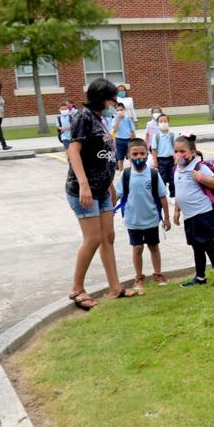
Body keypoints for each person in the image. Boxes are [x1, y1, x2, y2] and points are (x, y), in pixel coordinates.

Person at [66, 78, 140, 310]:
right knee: (94, 239)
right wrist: (84, 184)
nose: (113, 103)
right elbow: (73, 150)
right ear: (101, 98)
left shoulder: (99, 119)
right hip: (83, 191)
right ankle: (77, 288)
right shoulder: (83, 117)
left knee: (108, 237)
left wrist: (109, 185)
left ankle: (115, 287)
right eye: (111, 99)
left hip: (102, 190)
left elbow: (102, 155)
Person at [172, 134, 214, 287]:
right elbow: (179, 191)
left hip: (202, 213)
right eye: (176, 151)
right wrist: (177, 211)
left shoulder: (199, 167)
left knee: (208, 245)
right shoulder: (177, 168)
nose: (179, 154)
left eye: (182, 151)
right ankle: (200, 277)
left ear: (192, 152)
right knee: (196, 247)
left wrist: (201, 178)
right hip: (189, 216)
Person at [119, 138, 171, 288]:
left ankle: (158, 274)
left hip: (151, 219)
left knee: (154, 246)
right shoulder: (125, 174)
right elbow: (117, 195)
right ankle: (139, 277)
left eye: (142, 153)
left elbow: (162, 196)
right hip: (132, 220)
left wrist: (166, 218)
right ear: (128, 156)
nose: (138, 157)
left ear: (148, 154)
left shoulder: (154, 174)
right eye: (134, 154)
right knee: (137, 248)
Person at [151, 113, 177, 193]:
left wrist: (176, 158)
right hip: (161, 160)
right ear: (157, 124)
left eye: (165, 121)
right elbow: (154, 149)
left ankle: (173, 194)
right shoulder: (156, 136)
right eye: (161, 121)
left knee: (173, 178)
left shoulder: (172, 135)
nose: (163, 123)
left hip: (171, 160)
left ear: (168, 122)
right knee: (162, 178)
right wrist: (155, 162)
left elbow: (176, 148)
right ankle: (162, 194)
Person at [110, 101, 136, 170]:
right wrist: (118, 119)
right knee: (120, 158)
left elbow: (132, 130)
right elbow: (114, 129)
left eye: (121, 110)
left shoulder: (128, 119)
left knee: (130, 156)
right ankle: (121, 171)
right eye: (117, 110)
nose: (119, 111)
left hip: (128, 140)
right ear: (115, 111)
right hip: (119, 140)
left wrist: (134, 141)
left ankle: (131, 170)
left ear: (124, 110)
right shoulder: (114, 119)